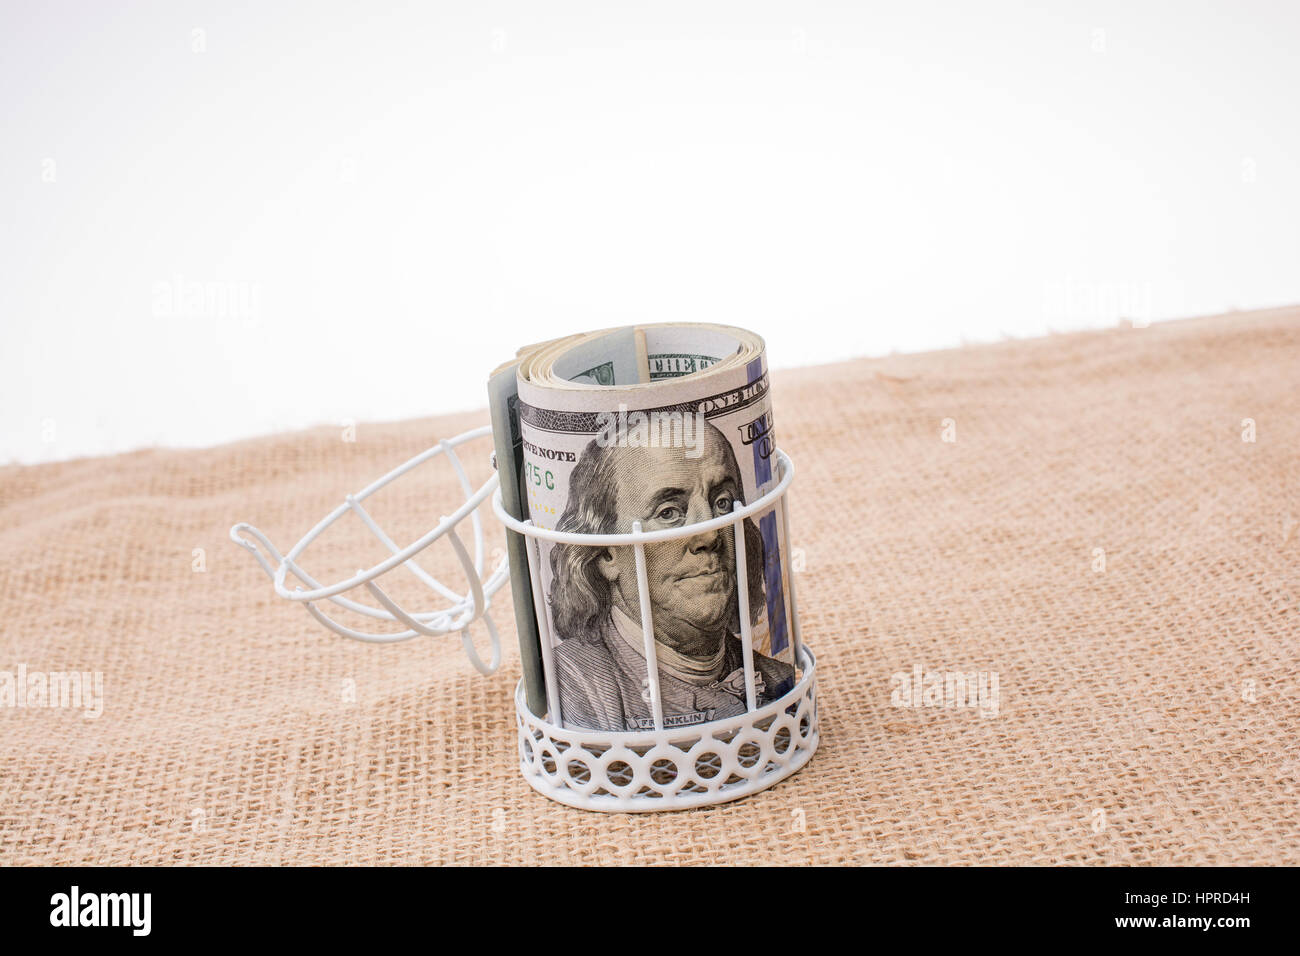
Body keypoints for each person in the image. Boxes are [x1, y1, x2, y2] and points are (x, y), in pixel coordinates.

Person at [547, 421, 793, 731]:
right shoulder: (572, 685)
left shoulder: (778, 677)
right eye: (668, 512)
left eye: (722, 503)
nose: (710, 534)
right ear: (606, 553)